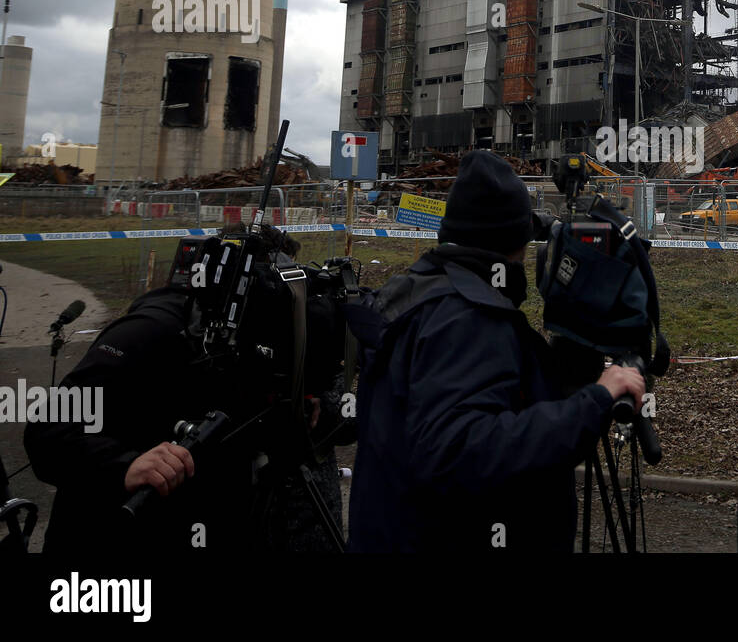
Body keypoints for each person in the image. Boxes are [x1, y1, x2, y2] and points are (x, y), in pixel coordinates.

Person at [347, 150, 644, 553]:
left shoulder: (417, 293)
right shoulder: (469, 320)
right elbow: (464, 451)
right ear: (515, 242)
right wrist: (593, 402)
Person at [24, 225, 349, 553]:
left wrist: (299, 408)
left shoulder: (247, 340)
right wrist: (125, 466)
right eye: (277, 289)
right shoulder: (151, 330)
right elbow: (47, 433)